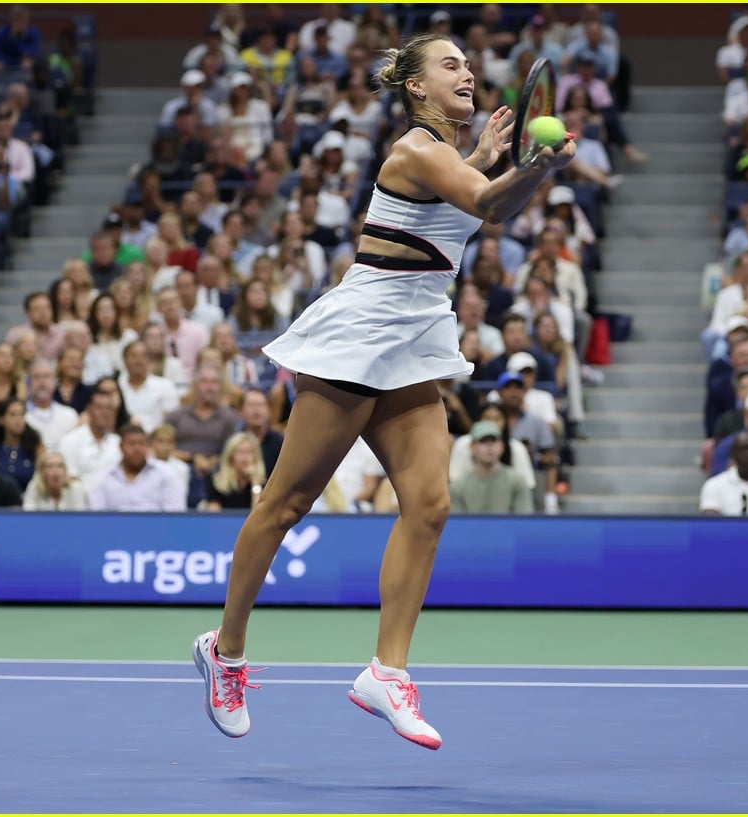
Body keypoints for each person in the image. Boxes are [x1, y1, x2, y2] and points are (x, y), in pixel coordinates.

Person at [191, 33, 575, 750]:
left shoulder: (451, 157)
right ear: (416, 87)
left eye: (468, 64)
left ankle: (386, 673)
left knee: (429, 505)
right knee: (285, 505)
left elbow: (479, 201)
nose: (467, 72)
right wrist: (533, 166)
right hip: (360, 335)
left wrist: (507, 163)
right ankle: (225, 650)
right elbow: (489, 206)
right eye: (450, 64)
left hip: (414, 338)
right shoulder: (416, 150)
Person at [449, 420, 534, 514]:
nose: (489, 446)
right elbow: (456, 520)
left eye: (493, 441)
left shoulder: (517, 481)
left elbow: (524, 517)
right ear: (472, 447)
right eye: (483, 441)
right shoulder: (459, 485)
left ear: (502, 446)